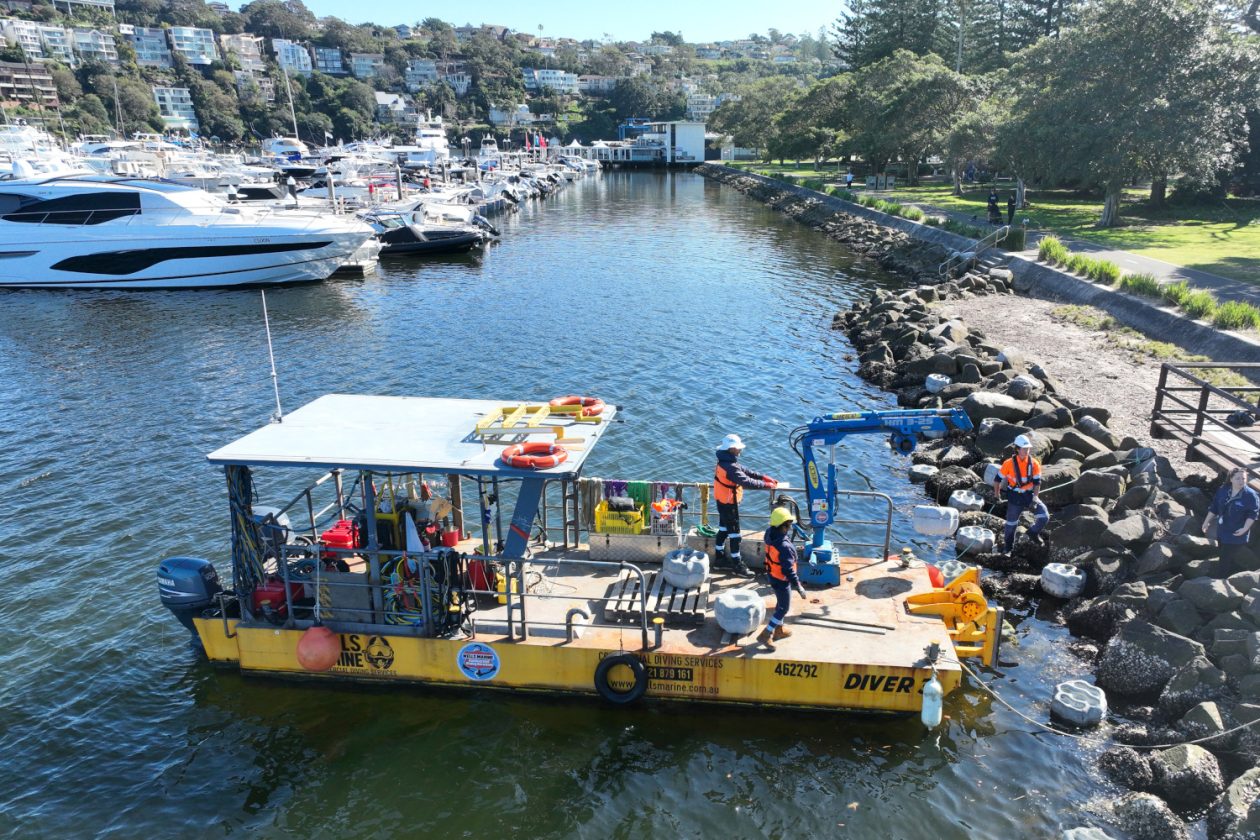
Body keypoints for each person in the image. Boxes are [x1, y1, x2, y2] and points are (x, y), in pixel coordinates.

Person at [713, 433, 778, 577]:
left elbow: (745, 471)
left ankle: (719, 559)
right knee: (735, 536)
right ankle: (737, 565)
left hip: (722, 502)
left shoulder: (725, 461)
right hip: (729, 504)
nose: (740, 450)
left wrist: (762, 477)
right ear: (731, 449)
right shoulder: (730, 466)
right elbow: (746, 481)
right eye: (737, 448)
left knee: (723, 529)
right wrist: (766, 485)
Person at [758, 507, 807, 650]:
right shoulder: (784, 547)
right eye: (788, 525)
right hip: (781, 580)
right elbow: (788, 570)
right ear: (783, 526)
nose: (790, 527)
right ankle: (767, 633)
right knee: (783, 608)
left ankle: (779, 630)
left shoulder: (769, 533)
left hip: (772, 575)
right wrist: (798, 586)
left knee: (780, 603)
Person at [993, 434, 1049, 553]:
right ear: (1017, 449)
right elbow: (997, 480)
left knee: (1044, 516)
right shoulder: (1008, 463)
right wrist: (996, 496)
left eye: (1028, 448)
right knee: (1011, 524)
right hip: (1015, 496)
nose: (1027, 451)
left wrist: (1035, 498)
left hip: (1029, 495)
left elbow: (1037, 482)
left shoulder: (1034, 463)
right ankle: (1008, 548)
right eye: (1024, 448)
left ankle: (1033, 533)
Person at [1205, 468, 1259, 570]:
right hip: (1222, 530)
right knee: (1225, 555)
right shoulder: (1223, 490)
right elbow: (1214, 507)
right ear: (1231, 479)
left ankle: (1220, 580)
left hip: (1237, 534)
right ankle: (1232, 573)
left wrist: (1245, 529)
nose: (1241, 481)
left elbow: (1252, 514)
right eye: (1238, 478)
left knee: (1224, 559)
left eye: (1243, 478)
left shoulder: (1250, 495)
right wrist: (1206, 521)